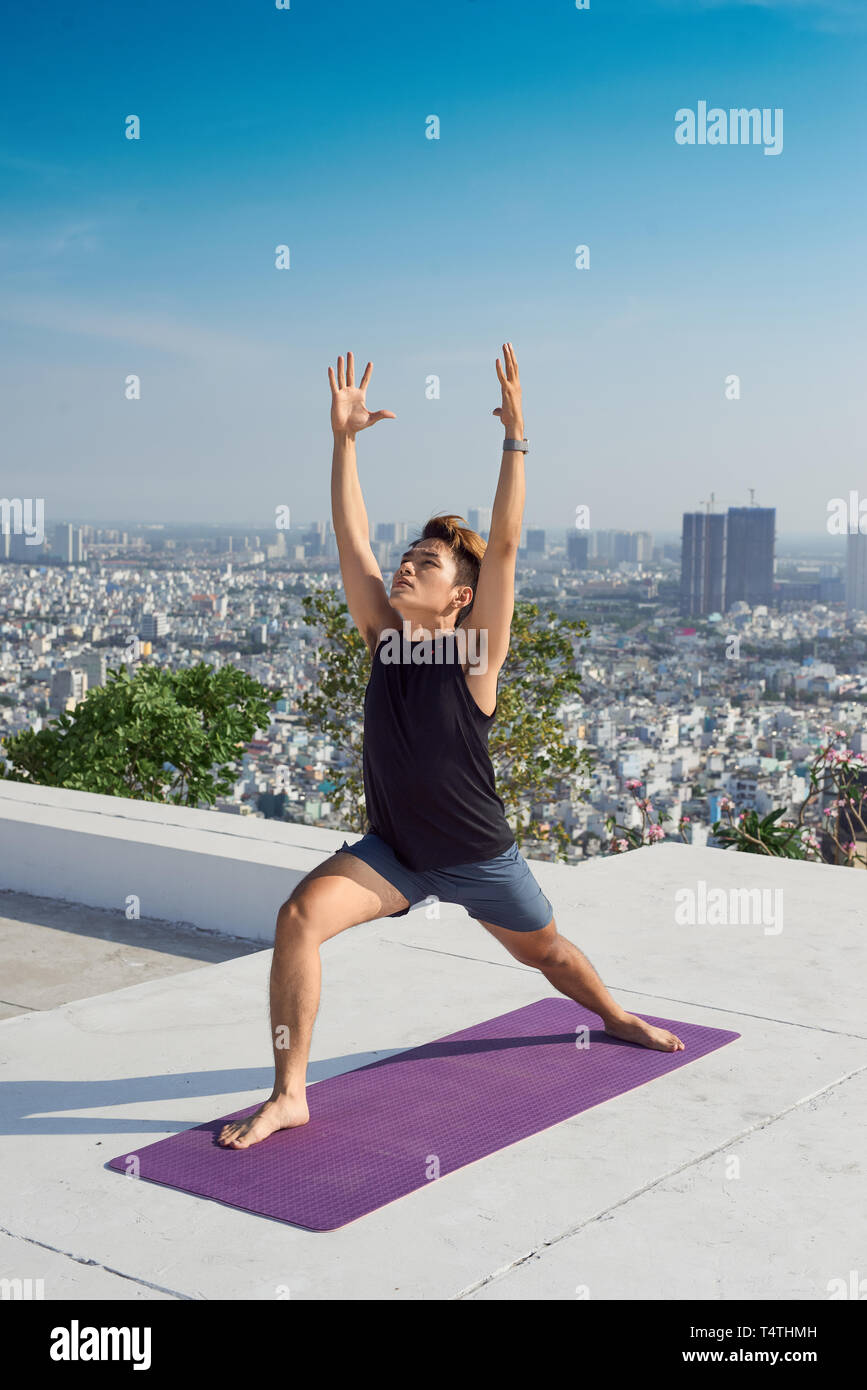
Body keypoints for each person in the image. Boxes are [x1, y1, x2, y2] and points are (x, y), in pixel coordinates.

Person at [219, 344, 683, 1150]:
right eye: (407, 557)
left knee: (549, 955)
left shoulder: (475, 656)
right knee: (298, 917)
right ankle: (289, 1093)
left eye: (423, 562)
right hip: (395, 853)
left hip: (477, 855)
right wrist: (344, 441)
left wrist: (514, 439)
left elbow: (502, 548)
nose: (403, 566)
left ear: (458, 596)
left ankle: (614, 1014)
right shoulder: (381, 640)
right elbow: (350, 539)